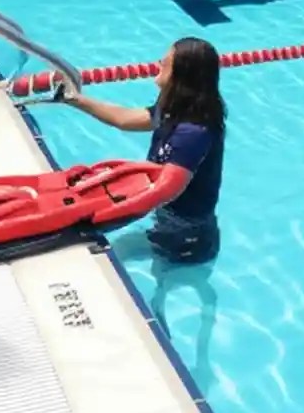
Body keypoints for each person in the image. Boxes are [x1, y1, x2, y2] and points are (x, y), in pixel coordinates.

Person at [62, 38, 226, 263]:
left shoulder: (193, 132)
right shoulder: (174, 109)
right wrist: (75, 100)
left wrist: (96, 220)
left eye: (166, 60)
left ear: (182, 72)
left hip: (186, 237)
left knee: (114, 256)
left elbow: (163, 191)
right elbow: (124, 118)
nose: (159, 61)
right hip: (170, 219)